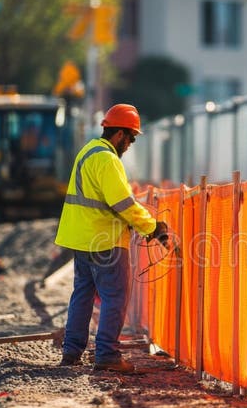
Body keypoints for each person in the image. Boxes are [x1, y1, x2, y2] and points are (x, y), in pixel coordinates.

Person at [54, 103, 170, 373]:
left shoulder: (88, 151)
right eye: (130, 137)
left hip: (82, 239)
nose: (130, 143)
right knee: (115, 297)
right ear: (118, 134)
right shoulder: (108, 159)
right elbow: (123, 204)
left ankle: (71, 352)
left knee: (82, 295)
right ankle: (106, 354)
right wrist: (153, 227)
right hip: (104, 241)